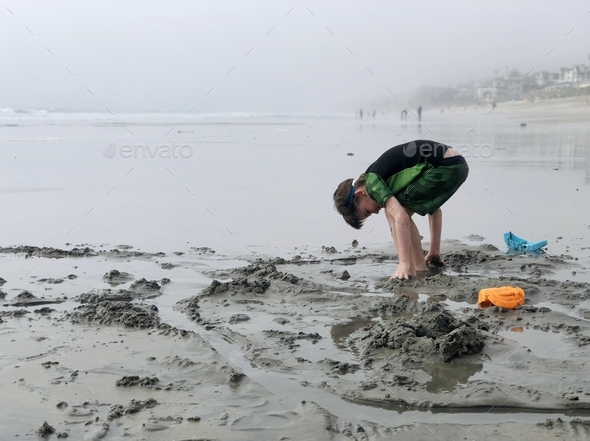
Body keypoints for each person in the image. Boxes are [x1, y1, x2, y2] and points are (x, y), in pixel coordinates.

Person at [333, 140, 468, 280]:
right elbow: (434, 210)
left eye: (367, 211)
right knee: (396, 209)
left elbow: (402, 216)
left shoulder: (372, 183)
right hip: (458, 164)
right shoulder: (382, 176)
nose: (375, 212)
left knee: (394, 212)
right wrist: (434, 251)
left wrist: (404, 263)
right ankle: (429, 256)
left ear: (360, 194)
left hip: (443, 167)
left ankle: (416, 268)